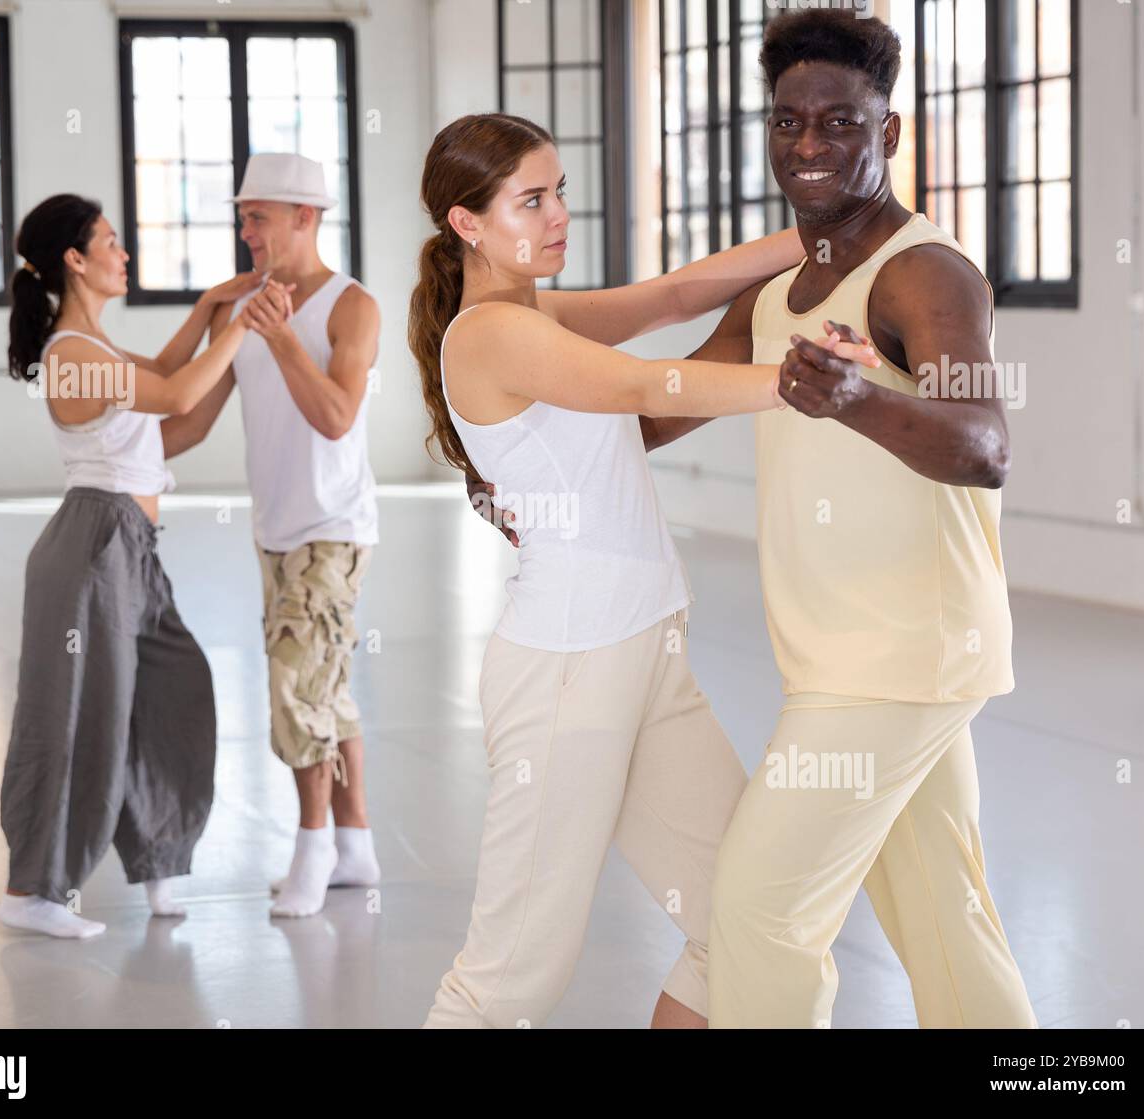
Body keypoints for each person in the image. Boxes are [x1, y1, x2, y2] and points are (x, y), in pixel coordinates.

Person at [412, 112, 879, 1028]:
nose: (558, 215)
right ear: (468, 224)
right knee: (508, 984)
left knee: (741, 922)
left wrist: (832, 224)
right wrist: (810, 382)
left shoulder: (532, 313)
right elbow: (642, 386)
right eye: (532, 199)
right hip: (566, 673)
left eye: (561, 192)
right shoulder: (485, 337)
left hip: (648, 655)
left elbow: (673, 297)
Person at [649, 11, 1035, 1028]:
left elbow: (984, 446)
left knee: (760, 910)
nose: (809, 147)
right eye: (787, 124)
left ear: (889, 134)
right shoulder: (781, 287)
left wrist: (858, 400)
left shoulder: (922, 271)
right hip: (851, 658)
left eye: (838, 124)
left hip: (899, 655)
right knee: (946, 924)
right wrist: (514, 446)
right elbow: (669, 400)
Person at [0, 193, 258, 938]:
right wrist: (242, 324)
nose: (124, 253)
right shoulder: (70, 357)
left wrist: (213, 305)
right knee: (77, 719)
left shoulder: (98, 351)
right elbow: (178, 390)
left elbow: (173, 374)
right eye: (111, 242)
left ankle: (159, 855)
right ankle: (33, 890)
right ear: (75, 260)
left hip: (133, 546)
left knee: (168, 691)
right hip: (93, 545)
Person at [163, 154, 383, 918]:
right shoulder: (241, 307)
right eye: (244, 215)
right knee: (329, 688)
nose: (245, 230)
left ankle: (314, 843)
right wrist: (112, 456)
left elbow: (336, 417)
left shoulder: (353, 307)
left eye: (257, 216)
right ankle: (357, 846)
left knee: (295, 689)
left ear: (305, 217)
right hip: (275, 530)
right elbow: (190, 420)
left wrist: (282, 336)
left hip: (333, 528)